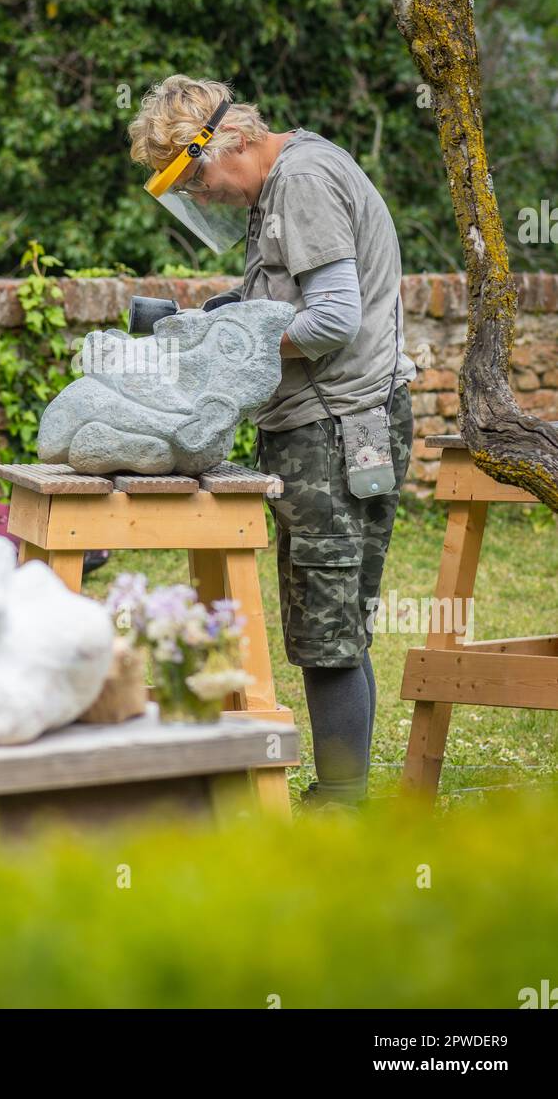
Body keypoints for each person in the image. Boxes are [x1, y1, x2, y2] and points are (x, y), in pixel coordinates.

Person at [129, 74, 416, 809]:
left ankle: (342, 810)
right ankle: (343, 797)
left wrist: (226, 344)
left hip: (340, 427)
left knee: (328, 625)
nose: (202, 195)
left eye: (195, 177)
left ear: (233, 139)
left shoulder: (304, 181)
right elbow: (280, 305)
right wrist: (215, 315)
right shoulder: (280, 185)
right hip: (319, 426)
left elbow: (331, 322)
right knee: (330, 620)